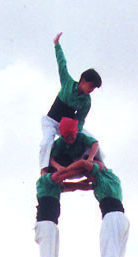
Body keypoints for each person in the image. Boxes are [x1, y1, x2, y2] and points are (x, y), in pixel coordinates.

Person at [39, 32, 101, 171]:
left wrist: (76, 136)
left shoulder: (86, 101)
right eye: (91, 86)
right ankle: (43, 170)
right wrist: (57, 44)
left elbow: (80, 120)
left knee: (91, 139)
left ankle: (97, 167)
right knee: (46, 142)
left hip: (68, 127)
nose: (91, 90)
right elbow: (62, 64)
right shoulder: (67, 83)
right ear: (83, 81)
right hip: (52, 122)